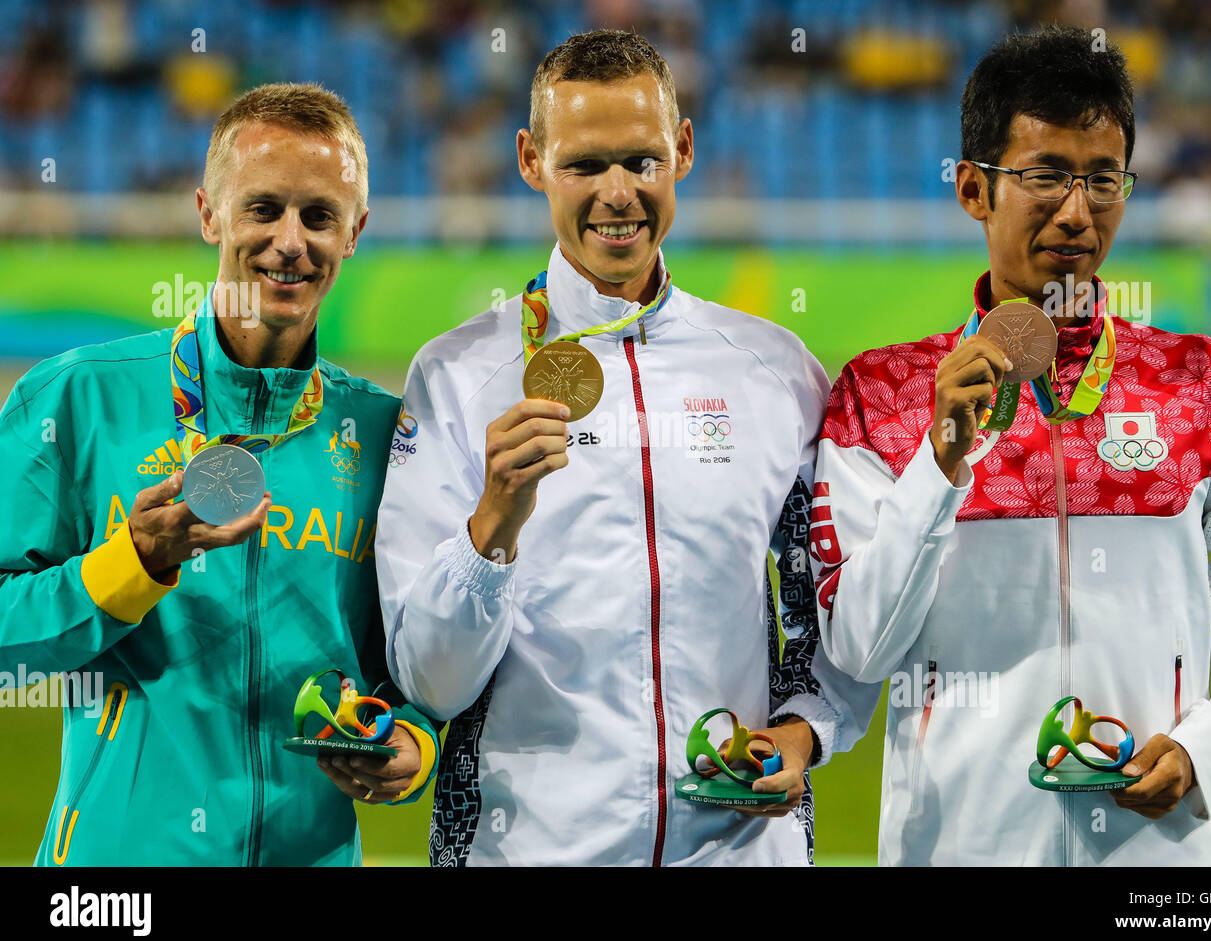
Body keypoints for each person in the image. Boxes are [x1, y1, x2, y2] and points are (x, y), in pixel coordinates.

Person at [809, 26, 1211, 865]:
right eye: (1044, 177)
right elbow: (860, 647)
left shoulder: (1209, 389)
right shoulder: (880, 397)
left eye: (1103, 180)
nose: (1077, 212)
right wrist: (939, 466)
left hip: (1157, 864)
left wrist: (1205, 752)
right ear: (972, 188)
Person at [378, 29, 863, 866]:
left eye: (641, 160)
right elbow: (429, 681)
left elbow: (829, 607)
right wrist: (493, 525)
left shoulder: (776, 373)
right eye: (584, 164)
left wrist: (804, 731)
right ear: (531, 162)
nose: (617, 193)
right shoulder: (456, 376)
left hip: (741, 848)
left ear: (682, 150)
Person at [0, 82, 438, 865]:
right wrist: (126, 567)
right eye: (263, 209)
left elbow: (411, 655)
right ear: (209, 213)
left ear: (356, 231)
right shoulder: (76, 399)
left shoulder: (384, 433)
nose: (290, 242)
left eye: (319, 216)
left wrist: (412, 740)